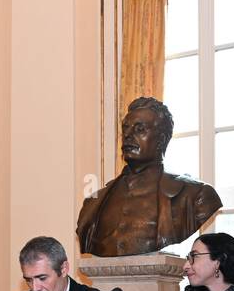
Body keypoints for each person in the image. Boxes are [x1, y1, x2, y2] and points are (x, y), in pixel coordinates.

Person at [76, 96, 222, 257]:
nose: (128, 135)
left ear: (161, 140)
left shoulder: (195, 195)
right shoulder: (94, 203)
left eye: (139, 129)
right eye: (125, 129)